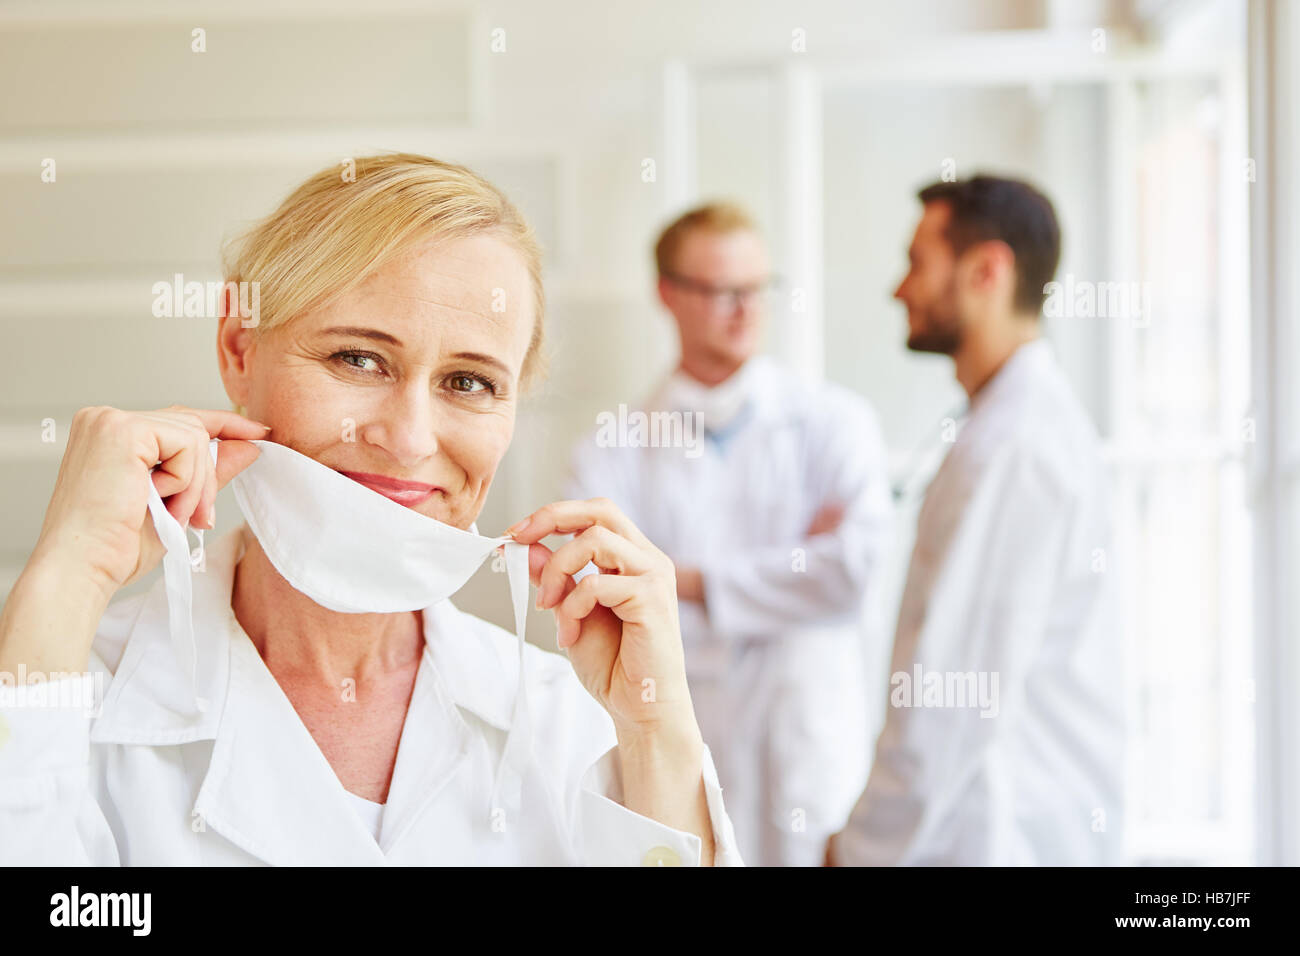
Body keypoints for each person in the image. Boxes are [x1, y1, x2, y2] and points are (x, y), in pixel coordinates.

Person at [0, 153, 742, 866]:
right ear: (237, 349)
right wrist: (66, 577)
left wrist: (656, 733)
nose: (410, 439)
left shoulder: (567, 725)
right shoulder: (66, 693)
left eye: (469, 383)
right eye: (358, 359)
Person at [567, 202, 893, 866]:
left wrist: (674, 579)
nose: (744, 309)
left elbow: (853, 571)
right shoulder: (612, 447)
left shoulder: (834, 423)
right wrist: (792, 562)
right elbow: (595, 585)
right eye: (720, 292)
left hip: (803, 732)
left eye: (757, 288)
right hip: (681, 730)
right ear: (668, 295)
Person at [829, 175, 1124, 866]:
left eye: (917, 263)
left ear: (987, 270)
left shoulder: (1014, 449)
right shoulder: (1003, 426)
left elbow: (952, 694)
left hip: (1003, 835)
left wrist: (859, 849)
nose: (899, 289)